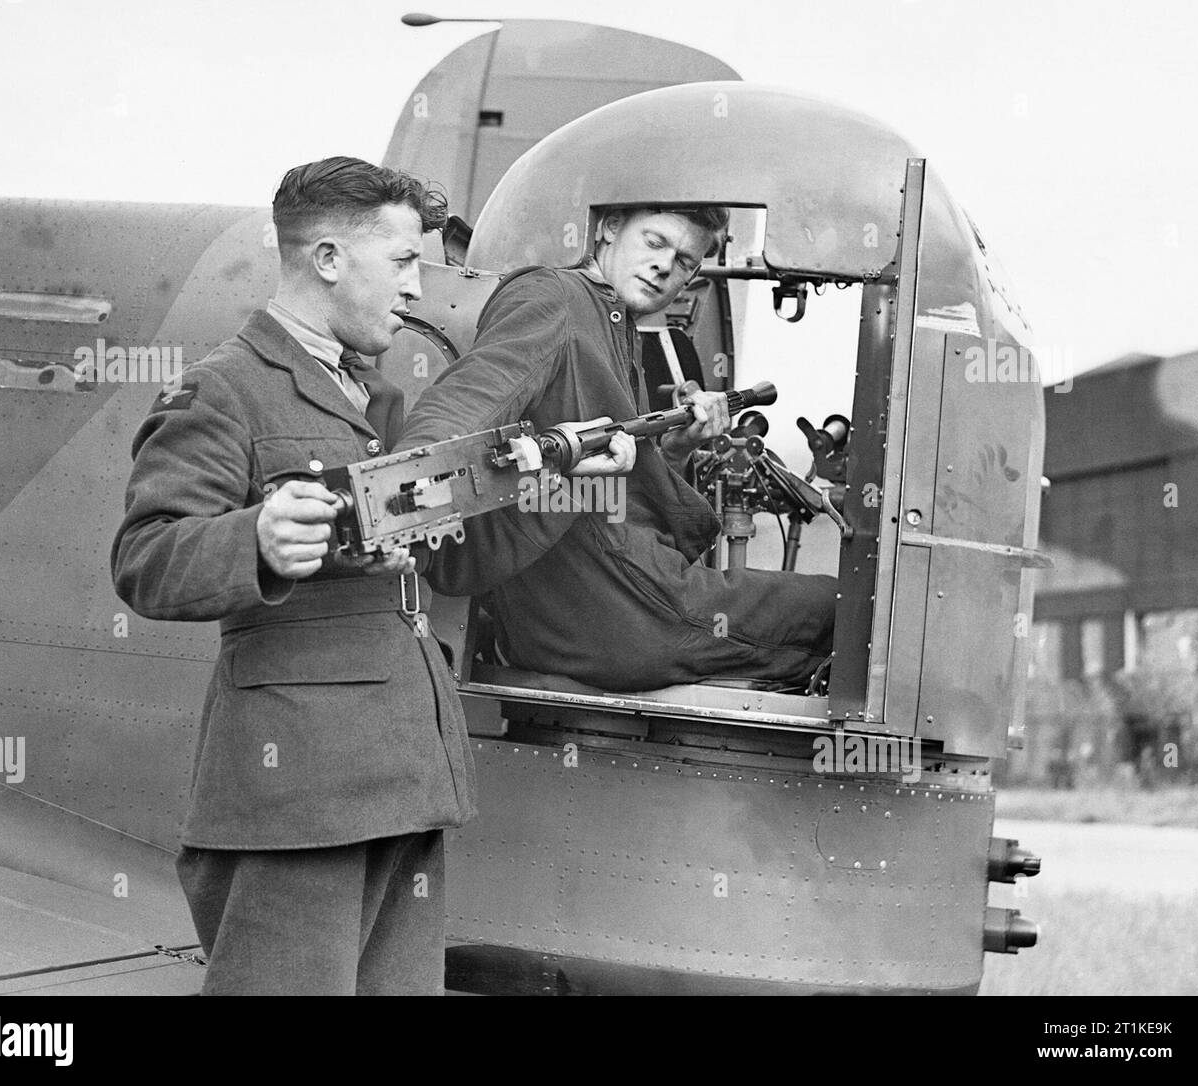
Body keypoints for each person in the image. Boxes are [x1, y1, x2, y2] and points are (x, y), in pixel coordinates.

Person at [111, 157, 476, 995]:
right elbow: (145, 560)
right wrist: (257, 541)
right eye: (404, 263)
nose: (419, 289)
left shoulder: (371, 398)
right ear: (327, 259)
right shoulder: (225, 388)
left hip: (403, 779)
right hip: (298, 798)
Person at [398, 206, 837, 691]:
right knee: (849, 612)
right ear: (608, 228)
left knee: (833, 624)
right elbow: (468, 402)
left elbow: (619, 496)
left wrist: (674, 450)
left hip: (622, 605)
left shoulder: (614, 322)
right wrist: (394, 496)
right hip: (620, 616)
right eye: (655, 242)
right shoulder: (554, 298)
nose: (665, 268)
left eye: (686, 261)